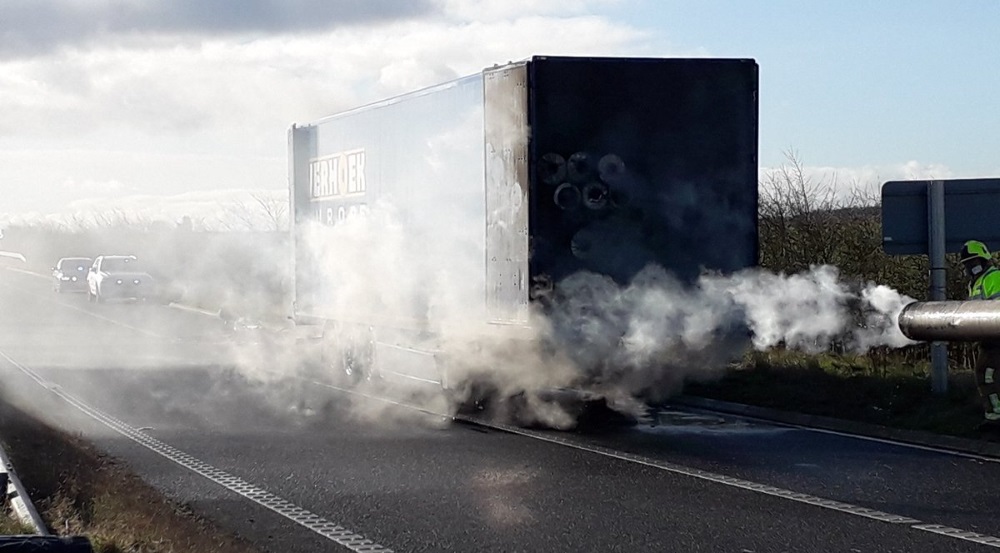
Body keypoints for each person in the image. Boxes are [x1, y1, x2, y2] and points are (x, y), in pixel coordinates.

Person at [960, 240, 1000, 431]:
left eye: (973, 262)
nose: (970, 266)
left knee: (987, 375)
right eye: (968, 263)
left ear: (984, 261)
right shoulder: (975, 283)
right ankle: (993, 416)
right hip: (988, 340)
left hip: (996, 339)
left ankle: (995, 419)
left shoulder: (994, 278)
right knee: (985, 374)